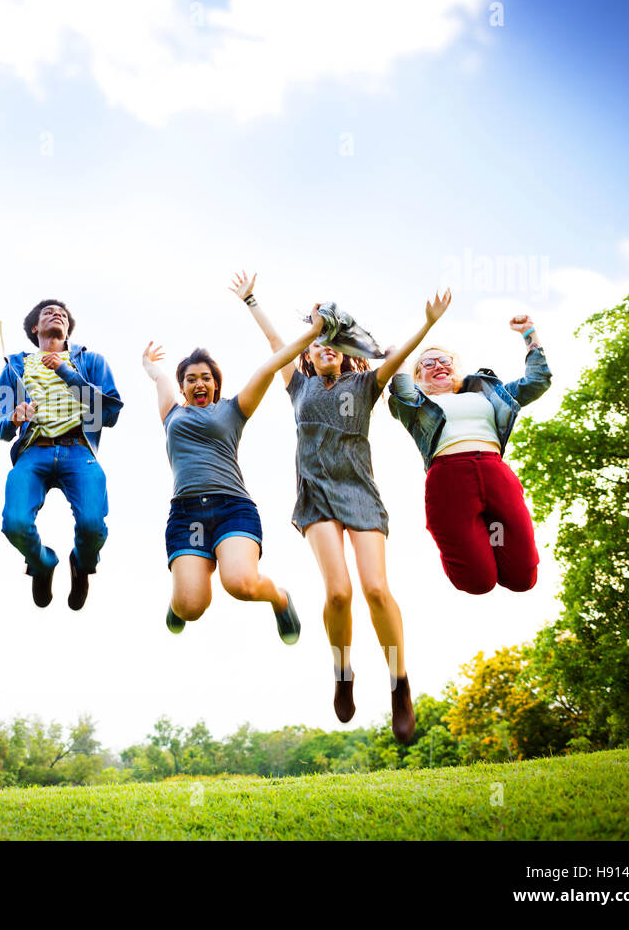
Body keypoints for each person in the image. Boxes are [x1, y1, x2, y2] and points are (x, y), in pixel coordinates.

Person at [232, 272, 451, 743]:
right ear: (308, 354)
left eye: (333, 343)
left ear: (344, 351)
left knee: (375, 588)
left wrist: (428, 323)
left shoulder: (365, 385)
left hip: (359, 492)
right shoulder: (297, 387)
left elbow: (397, 358)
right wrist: (252, 300)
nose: (324, 348)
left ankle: (399, 682)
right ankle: (344, 671)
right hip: (315, 494)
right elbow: (275, 341)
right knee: (338, 593)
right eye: (317, 345)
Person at [140, 300, 324, 643]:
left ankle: (279, 598)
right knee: (190, 607)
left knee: (240, 583)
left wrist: (312, 333)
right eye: (191, 379)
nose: (198, 384)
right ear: (183, 387)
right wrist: (149, 365)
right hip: (187, 514)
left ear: (215, 384)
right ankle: (179, 600)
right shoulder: (171, 413)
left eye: (205, 378)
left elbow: (271, 366)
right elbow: (160, 377)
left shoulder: (233, 410)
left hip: (231, 508)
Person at [388, 316, 551, 594]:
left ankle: (487, 530)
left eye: (444, 360)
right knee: (478, 582)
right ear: (418, 377)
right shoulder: (416, 406)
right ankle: (474, 536)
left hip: (495, 473)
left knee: (522, 579)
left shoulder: (490, 395)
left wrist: (529, 333)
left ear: (455, 367)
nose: (438, 365)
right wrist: (397, 359)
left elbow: (537, 381)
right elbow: (402, 390)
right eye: (427, 363)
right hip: (449, 480)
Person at [0, 298, 122, 610]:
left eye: (62, 313)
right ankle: (42, 562)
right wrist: (14, 417)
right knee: (14, 523)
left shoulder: (90, 362)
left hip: (79, 450)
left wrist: (69, 374)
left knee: (92, 524)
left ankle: (82, 562)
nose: (57, 314)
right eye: (48, 312)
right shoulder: (15, 367)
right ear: (35, 327)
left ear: (67, 330)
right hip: (33, 453)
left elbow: (110, 412)